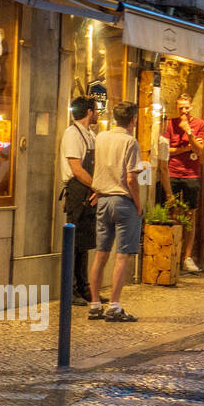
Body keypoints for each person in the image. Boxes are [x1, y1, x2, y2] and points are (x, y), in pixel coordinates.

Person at [88, 102, 143, 322]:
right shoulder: (131, 142)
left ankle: (94, 304)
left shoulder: (101, 137)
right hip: (123, 201)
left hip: (103, 200)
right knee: (122, 256)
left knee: (101, 254)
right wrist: (138, 203)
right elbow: (131, 178)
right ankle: (114, 306)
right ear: (132, 119)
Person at [59, 96, 99, 306]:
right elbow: (76, 169)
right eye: (96, 110)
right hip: (77, 190)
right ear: (90, 112)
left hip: (90, 190)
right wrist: (97, 186)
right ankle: (71, 289)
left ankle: (84, 288)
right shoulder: (72, 134)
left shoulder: (91, 135)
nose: (98, 113)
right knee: (73, 243)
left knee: (84, 243)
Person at [161, 94, 204, 273]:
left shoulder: (200, 124)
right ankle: (173, 252)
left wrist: (188, 131)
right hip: (172, 173)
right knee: (173, 212)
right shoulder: (169, 125)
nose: (184, 111)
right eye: (181, 108)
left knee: (190, 215)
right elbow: (167, 152)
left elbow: (200, 150)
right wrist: (186, 148)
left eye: (187, 107)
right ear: (176, 107)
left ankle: (187, 256)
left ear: (191, 107)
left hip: (191, 175)